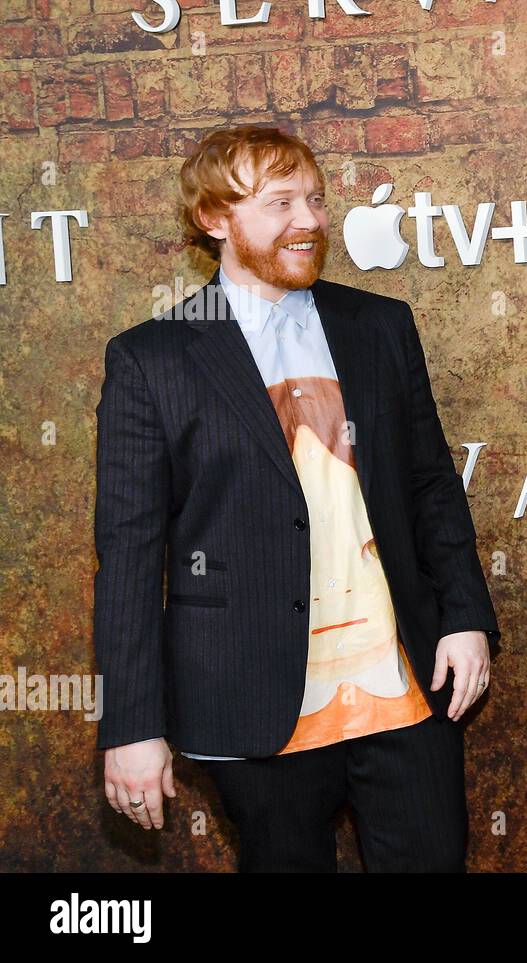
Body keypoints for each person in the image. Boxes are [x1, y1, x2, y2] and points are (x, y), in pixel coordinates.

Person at [93, 124, 499, 871]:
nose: (309, 220)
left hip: (404, 688)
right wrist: (131, 725)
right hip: (251, 698)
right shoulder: (153, 358)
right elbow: (127, 557)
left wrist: (466, 617)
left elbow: (430, 484)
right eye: (279, 202)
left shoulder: (378, 325)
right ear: (215, 219)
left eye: (314, 198)